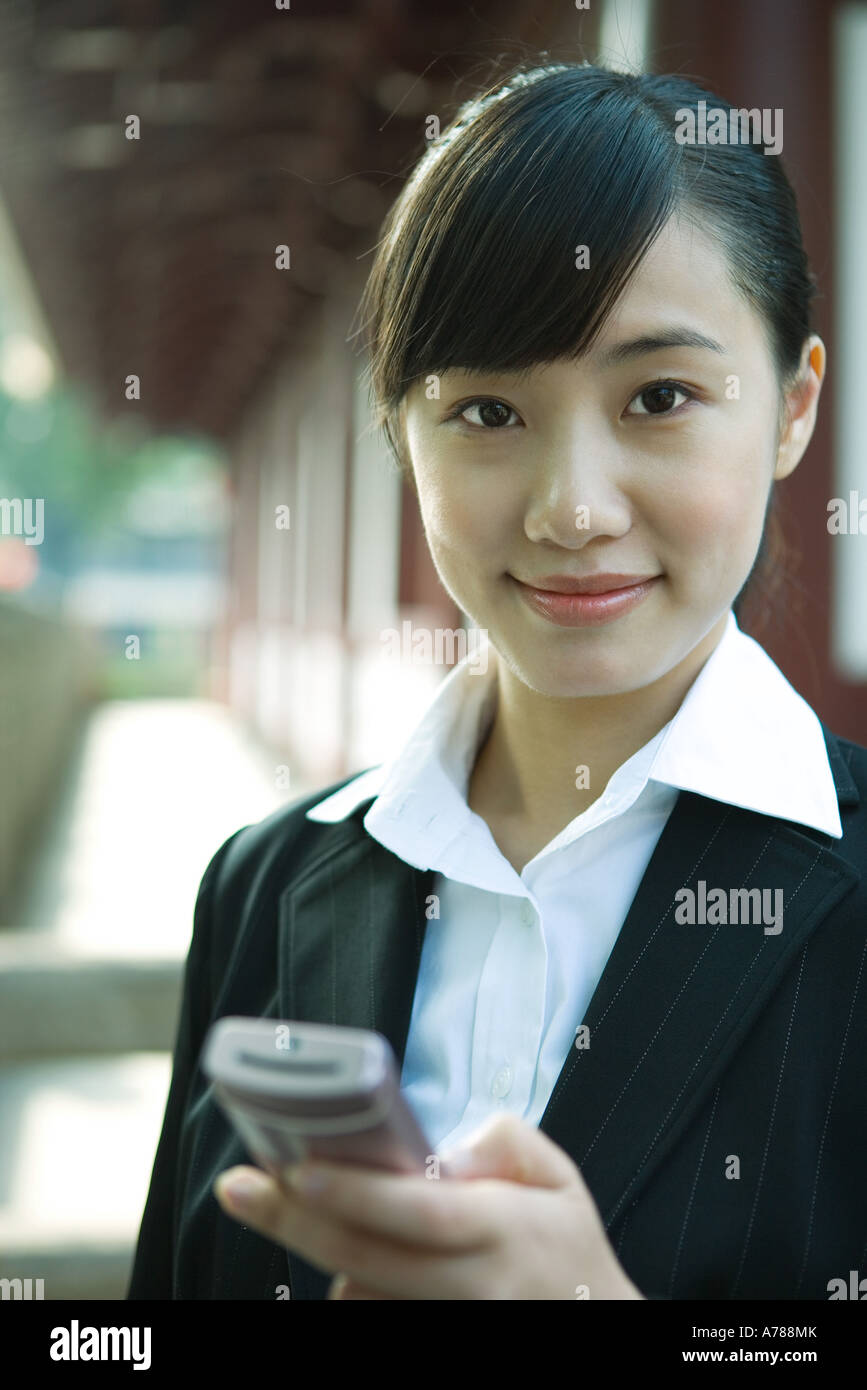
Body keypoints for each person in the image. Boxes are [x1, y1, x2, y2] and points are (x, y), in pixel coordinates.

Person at [127, 59, 867, 1301]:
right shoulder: (265, 885)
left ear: (792, 408)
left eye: (661, 396)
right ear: (398, 429)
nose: (573, 510)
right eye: (485, 412)